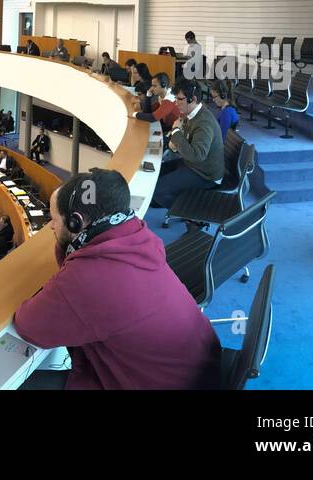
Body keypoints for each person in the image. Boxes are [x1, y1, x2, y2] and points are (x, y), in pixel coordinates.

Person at [14, 168, 221, 389]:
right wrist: (72, 243)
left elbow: (29, 326)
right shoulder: (139, 236)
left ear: (76, 222)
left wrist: (67, 246)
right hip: (200, 370)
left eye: (54, 220)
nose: (52, 227)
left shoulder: (88, 278)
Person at [152, 79, 225, 210]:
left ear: (193, 99)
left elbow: (197, 155)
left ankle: (190, 211)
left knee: (158, 191)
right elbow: (183, 141)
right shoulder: (190, 113)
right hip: (191, 164)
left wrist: (175, 132)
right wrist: (176, 140)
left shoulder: (204, 123)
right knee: (154, 175)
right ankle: (164, 199)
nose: (176, 103)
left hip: (205, 174)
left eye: (180, 99)